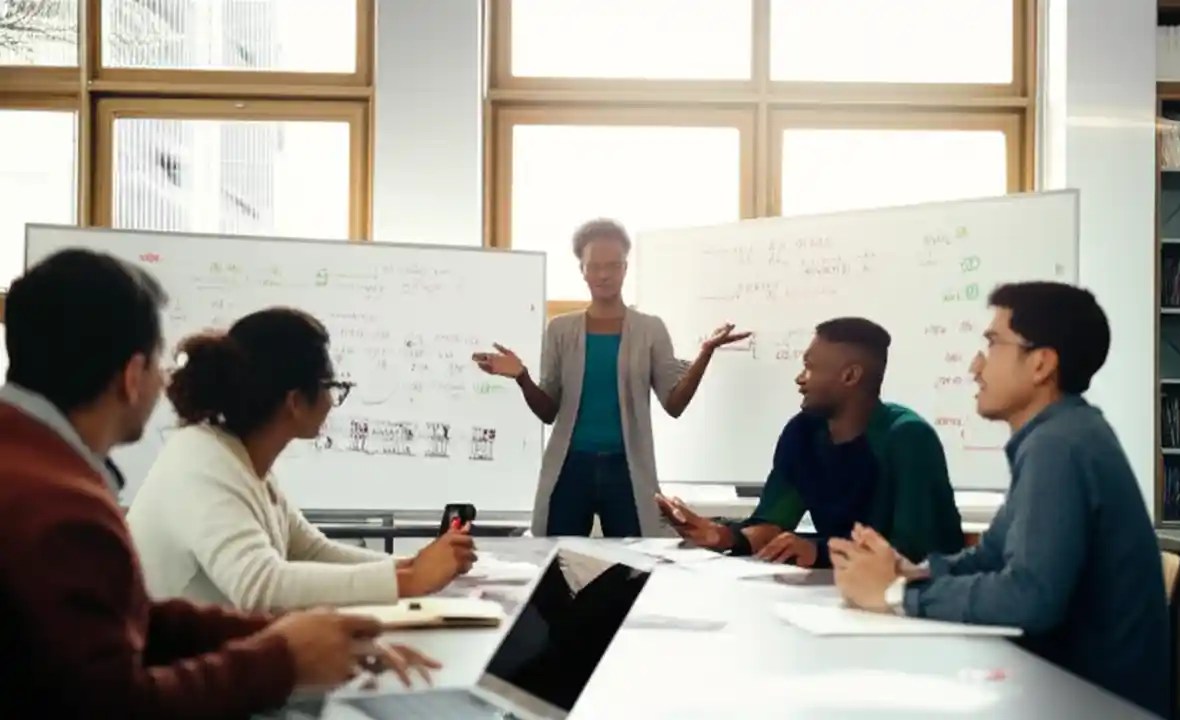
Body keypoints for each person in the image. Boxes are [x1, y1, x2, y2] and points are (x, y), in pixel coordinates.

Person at [0, 250, 435, 718]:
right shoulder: (60, 506)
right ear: (132, 376)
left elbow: (138, 618)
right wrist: (281, 657)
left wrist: (281, 637)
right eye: (158, 364)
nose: (165, 379)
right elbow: (120, 705)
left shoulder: (31, 466)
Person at [830, 282, 1169, 718]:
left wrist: (897, 594)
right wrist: (909, 570)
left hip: (1092, 704)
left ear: (1041, 363)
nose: (976, 365)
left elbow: (1031, 598)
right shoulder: (1060, 434)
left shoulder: (1059, 447)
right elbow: (991, 557)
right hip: (1063, 691)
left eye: (992, 344)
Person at [128, 307, 477, 613]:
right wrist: (410, 579)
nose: (331, 399)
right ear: (294, 401)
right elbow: (259, 585)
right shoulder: (202, 461)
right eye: (330, 385)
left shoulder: (241, 458)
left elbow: (309, 551)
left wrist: (414, 565)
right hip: (167, 674)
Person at [474, 218, 749, 537]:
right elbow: (549, 412)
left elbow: (674, 404)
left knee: (635, 565)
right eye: (594, 266)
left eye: (613, 265)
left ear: (625, 268)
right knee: (555, 560)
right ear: (582, 270)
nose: (603, 274)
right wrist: (521, 376)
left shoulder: (650, 329)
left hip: (627, 469)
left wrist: (705, 353)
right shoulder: (561, 330)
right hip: (570, 466)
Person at [656, 317, 964, 568]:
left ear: (850, 376)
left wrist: (818, 552)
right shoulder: (802, 433)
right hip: (841, 592)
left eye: (810, 367)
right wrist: (721, 536)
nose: (800, 379)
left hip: (919, 601)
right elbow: (773, 524)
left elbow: (917, 550)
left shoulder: (907, 438)